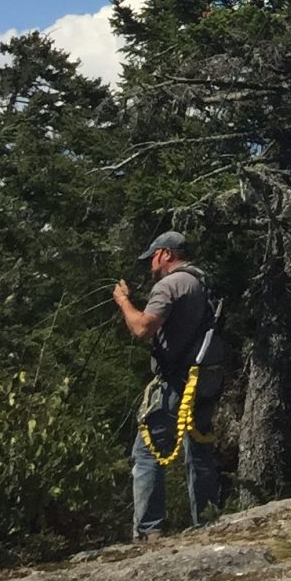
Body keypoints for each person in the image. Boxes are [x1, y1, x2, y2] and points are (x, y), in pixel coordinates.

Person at [114, 230, 222, 540]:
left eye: (152, 257)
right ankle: (207, 521)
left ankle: (148, 531)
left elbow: (142, 328)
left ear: (165, 254)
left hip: (178, 381)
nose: (151, 264)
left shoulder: (170, 285)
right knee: (198, 448)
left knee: (147, 450)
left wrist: (123, 302)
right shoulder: (204, 282)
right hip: (207, 376)